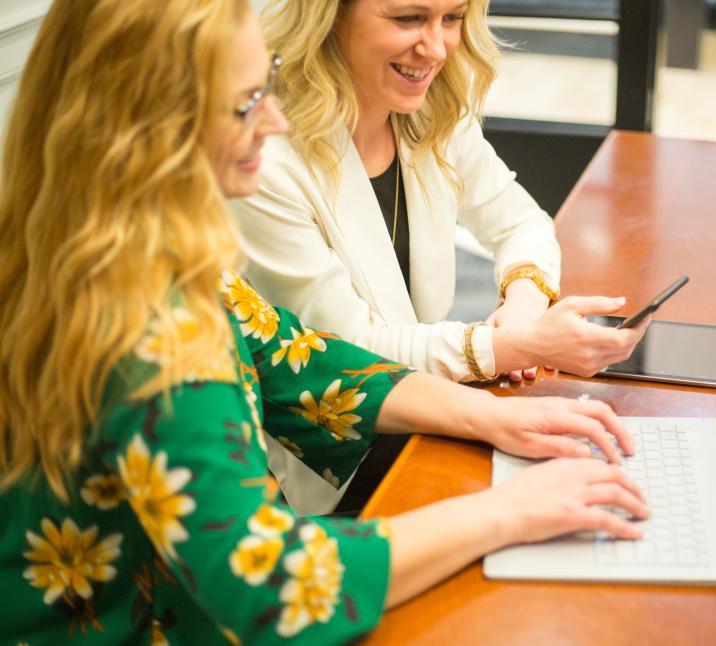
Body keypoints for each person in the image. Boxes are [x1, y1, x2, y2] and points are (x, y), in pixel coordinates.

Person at [0, 1, 648, 642]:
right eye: (247, 103)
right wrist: (507, 511)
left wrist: (494, 416)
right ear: (146, 125)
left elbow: (302, 359)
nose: (274, 118)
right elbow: (273, 585)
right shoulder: (155, 334)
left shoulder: (111, 249)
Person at [232, 0, 648, 385]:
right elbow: (348, 349)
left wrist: (524, 306)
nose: (435, 48)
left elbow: (519, 222)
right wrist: (517, 346)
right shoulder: (261, 159)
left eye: (452, 18)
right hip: (328, 432)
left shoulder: (431, 112)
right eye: (408, 18)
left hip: (423, 402)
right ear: (331, 14)